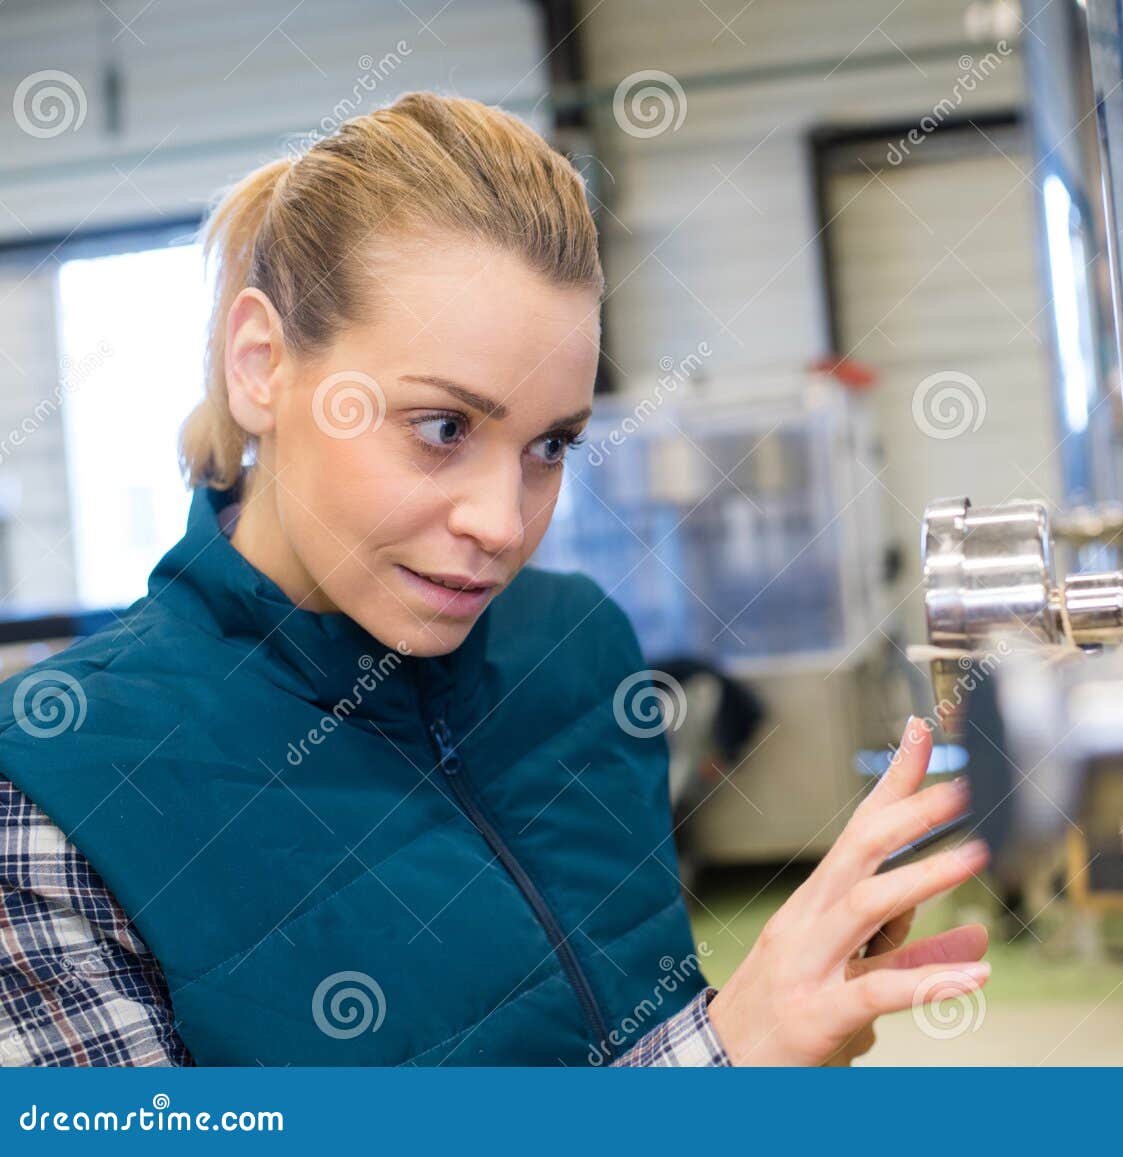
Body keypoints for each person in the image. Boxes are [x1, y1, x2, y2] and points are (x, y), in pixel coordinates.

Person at [0, 92, 989, 1067]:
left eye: (550, 444)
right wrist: (727, 1061)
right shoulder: (58, 783)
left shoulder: (575, 644)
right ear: (261, 365)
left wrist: (775, 1022)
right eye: (442, 428)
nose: (503, 522)